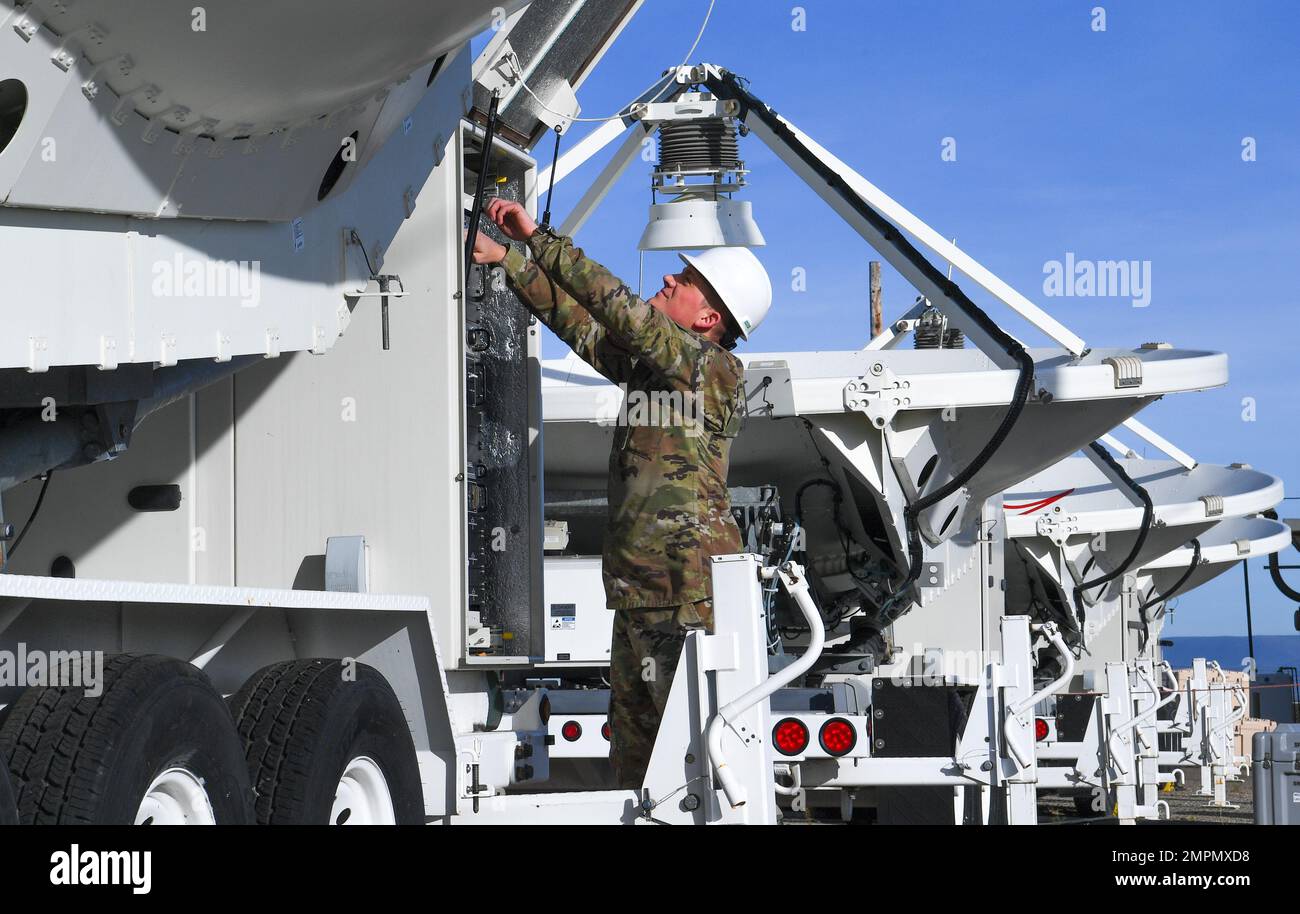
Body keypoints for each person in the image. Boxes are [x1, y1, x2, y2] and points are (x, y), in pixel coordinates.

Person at [472, 199, 772, 787]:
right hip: (639, 592)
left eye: (684, 281)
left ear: (709, 320)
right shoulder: (655, 369)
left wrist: (540, 238)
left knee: (691, 761)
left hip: (687, 595)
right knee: (635, 766)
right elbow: (583, 325)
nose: (667, 278)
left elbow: (622, 311)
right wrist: (509, 260)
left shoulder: (713, 370)